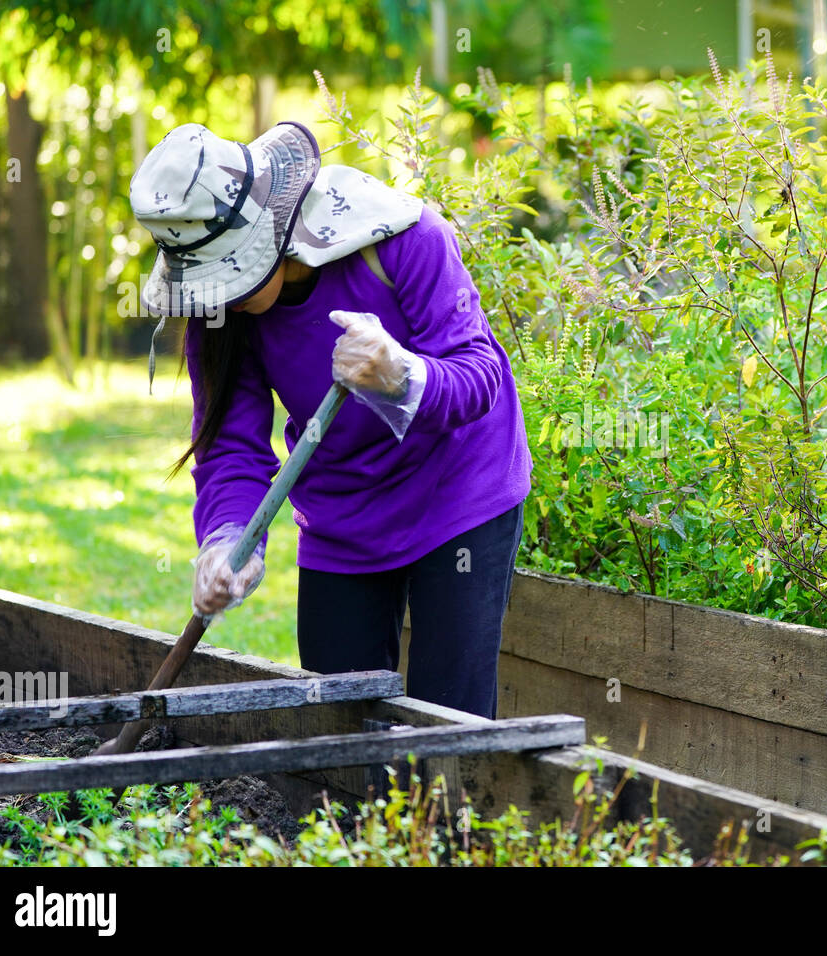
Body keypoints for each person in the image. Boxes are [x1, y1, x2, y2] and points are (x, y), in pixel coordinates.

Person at [128, 120, 533, 719]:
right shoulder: (220, 316)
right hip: (344, 513)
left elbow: (479, 374)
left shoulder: (403, 237)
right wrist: (226, 541)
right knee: (337, 728)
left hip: (457, 494)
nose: (217, 294)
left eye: (226, 273)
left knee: (447, 728)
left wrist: (400, 373)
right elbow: (232, 447)